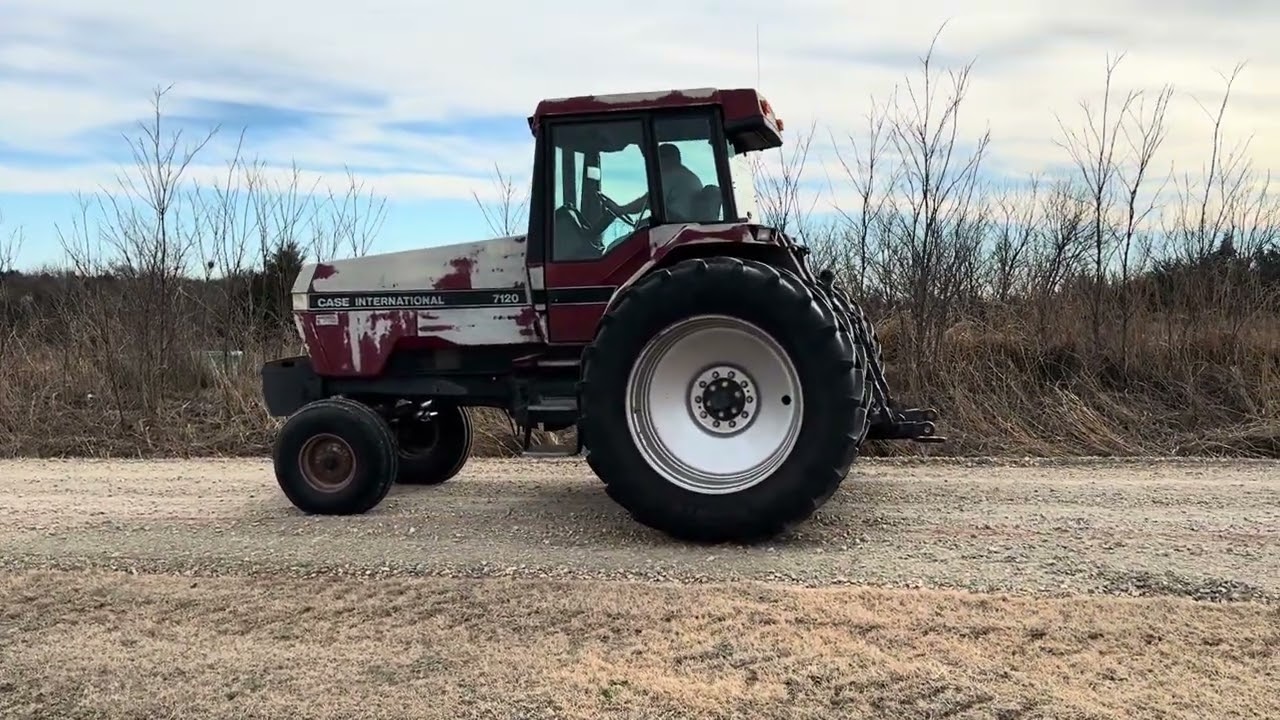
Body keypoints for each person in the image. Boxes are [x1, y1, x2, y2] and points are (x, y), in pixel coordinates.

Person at [618, 143, 703, 222]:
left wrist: (621, 210)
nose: (655, 164)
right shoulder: (688, 176)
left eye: (658, 158)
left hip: (675, 226)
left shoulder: (672, 175)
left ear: (669, 159)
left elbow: (648, 201)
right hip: (683, 224)